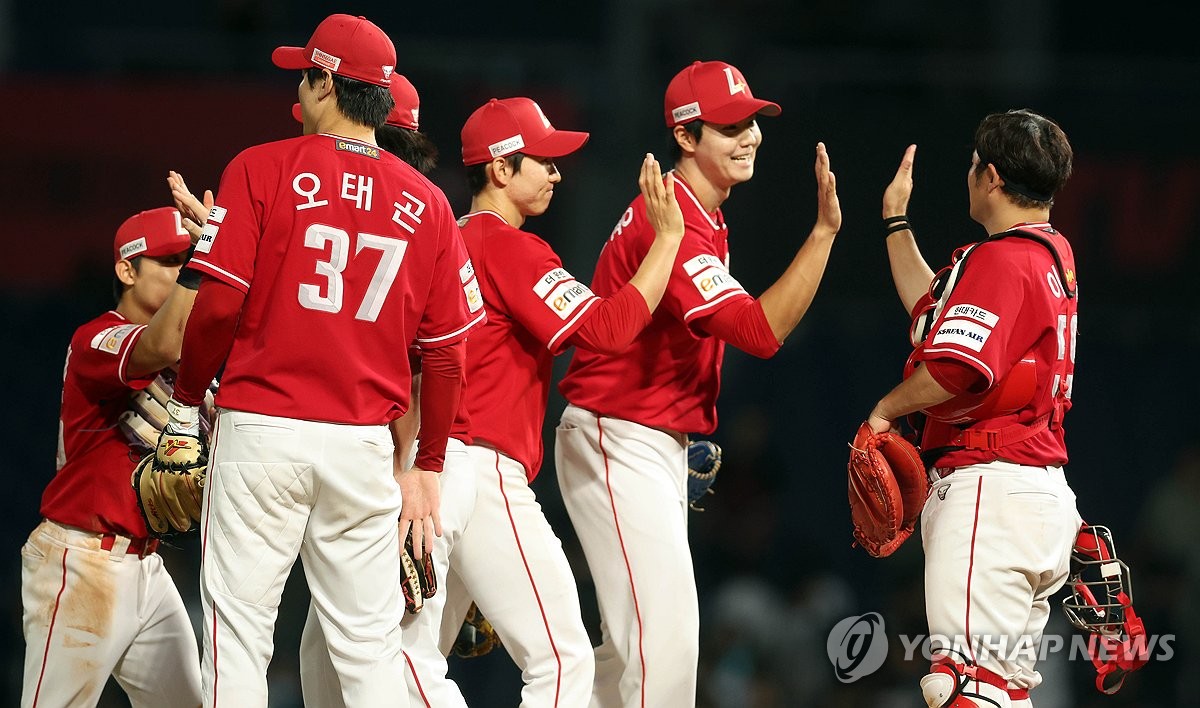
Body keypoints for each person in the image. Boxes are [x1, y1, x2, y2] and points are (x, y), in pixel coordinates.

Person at [157, 14, 483, 707]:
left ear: (327, 83)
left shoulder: (260, 166)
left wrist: (185, 405)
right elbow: (447, 353)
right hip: (362, 445)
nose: (297, 90)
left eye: (304, 76)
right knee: (369, 652)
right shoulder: (429, 203)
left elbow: (216, 308)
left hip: (262, 430)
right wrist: (428, 465)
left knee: (238, 637)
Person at [554, 60, 842, 706]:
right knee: (668, 644)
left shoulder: (697, 215)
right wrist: (824, 235)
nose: (751, 136)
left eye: (752, 122)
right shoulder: (674, 222)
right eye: (730, 126)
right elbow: (759, 332)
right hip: (617, 435)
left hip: (636, 436)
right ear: (685, 136)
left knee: (627, 654)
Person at [413, 96, 686, 707]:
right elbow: (608, 330)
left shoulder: (441, 240)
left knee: (408, 659)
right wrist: (668, 240)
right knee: (563, 661)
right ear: (500, 169)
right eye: (544, 161)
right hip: (482, 470)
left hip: (428, 466)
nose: (557, 174)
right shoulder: (507, 246)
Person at [867, 109, 1081, 707]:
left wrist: (885, 408)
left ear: (990, 176)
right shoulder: (1049, 253)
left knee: (963, 686)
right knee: (1002, 692)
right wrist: (895, 222)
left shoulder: (1002, 259)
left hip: (990, 489)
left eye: (972, 165)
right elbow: (937, 320)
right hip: (1036, 493)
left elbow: (957, 368)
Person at [21, 205, 203, 707]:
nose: (182, 271)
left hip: (147, 566)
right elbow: (161, 343)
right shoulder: (98, 336)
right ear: (127, 270)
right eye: (170, 261)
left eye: (185, 260)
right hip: (82, 559)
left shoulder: (194, 354)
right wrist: (208, 255)